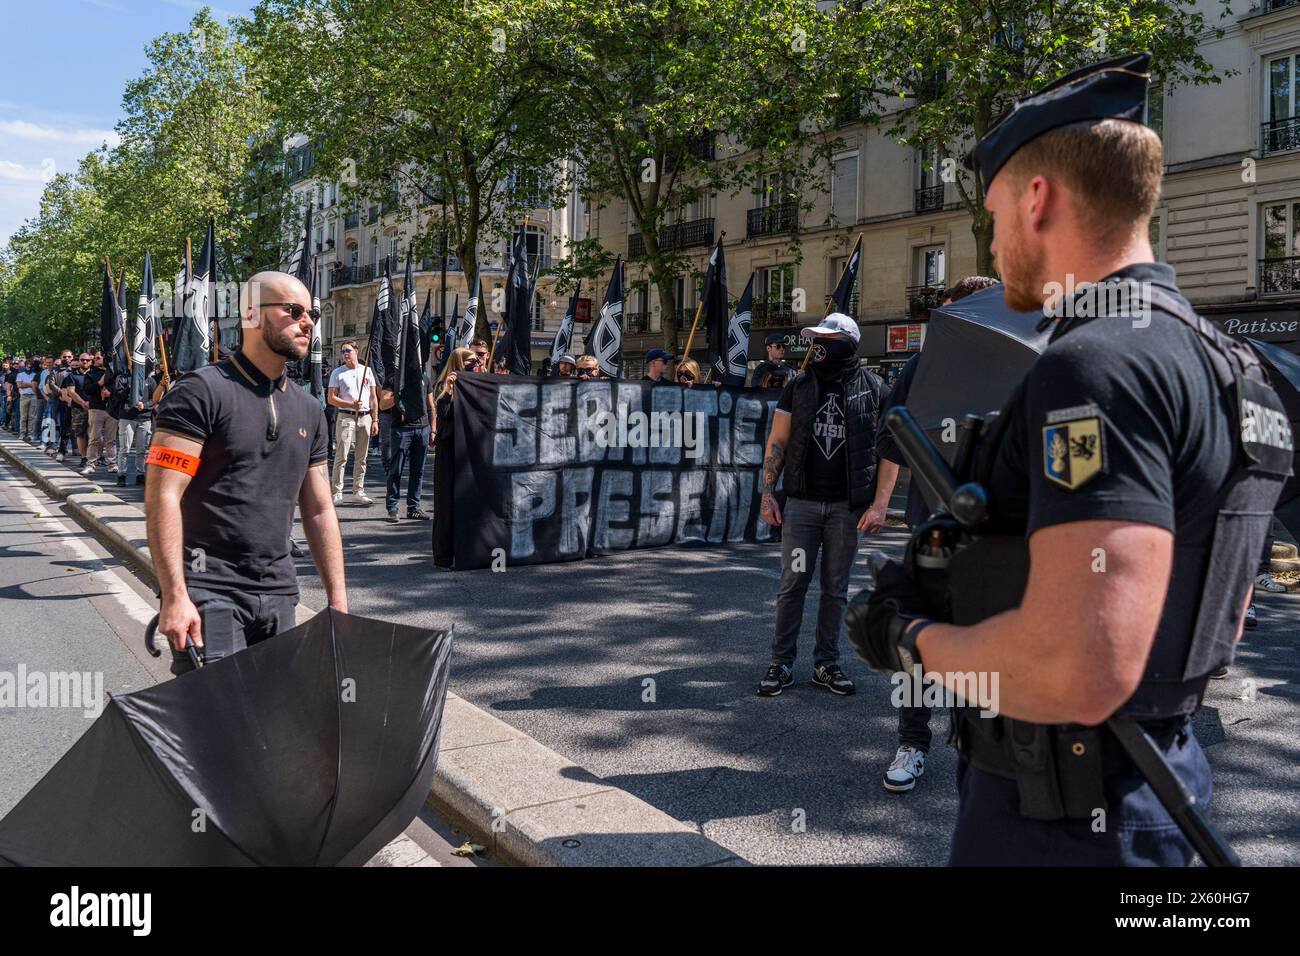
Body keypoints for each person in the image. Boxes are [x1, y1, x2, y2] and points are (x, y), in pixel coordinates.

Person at [850, 53, 1293, 866]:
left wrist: (906, 638)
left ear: (1038, 198)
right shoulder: (1235, 368)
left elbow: (1077, 671)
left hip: (1056, 821)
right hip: (1156, 791)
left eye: (991, 214)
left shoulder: (1094, 366)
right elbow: (1213, 608)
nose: (990, 238)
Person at [146, 270, 344, 675]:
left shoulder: (309, 409)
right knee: (218, 726)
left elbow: (320, 510)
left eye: (313, 314)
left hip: (279, 593)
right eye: (293, 311)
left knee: (271, 727)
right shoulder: (200, 391)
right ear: (252, 314)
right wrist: (174, 594)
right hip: (209, 591)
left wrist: (337, 602)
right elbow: (163, 494)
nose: (307, 322)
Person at [874, 273, 998, 794]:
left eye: (952, 310)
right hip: (930, 531)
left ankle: (981, 750)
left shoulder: (1018, 371)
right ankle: (913, 741)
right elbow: (890, 436)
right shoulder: (923, 366)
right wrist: (883, 501)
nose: (942, 319)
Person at [756, 312, 898, 698]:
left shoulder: (876, 390)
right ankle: (781, 662)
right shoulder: (798, 386)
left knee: (835, 589)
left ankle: (826, 663)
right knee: (792, 584)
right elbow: (778, 442)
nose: (819, 347)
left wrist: (880, 505)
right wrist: (768, 493)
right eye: (816, 340)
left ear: (848, 345)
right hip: (801, 505)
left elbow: (891, 452)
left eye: (827, 340)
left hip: (845, 508)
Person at [432, 347, 480, 568]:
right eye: (471, 360)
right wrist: (450, 390)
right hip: (449, 448)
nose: (476, 363)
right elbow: (444, 416)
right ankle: (443, 556)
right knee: (447, 502)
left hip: (469, 449)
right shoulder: (443, 386)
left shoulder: (475, 383)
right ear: (459, 362)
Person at [326, 341, 378, 506]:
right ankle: (337, 492)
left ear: (356, 351)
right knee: (342, 455)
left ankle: (358, 490)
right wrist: (349, 404)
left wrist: (375, 419)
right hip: (346, 416)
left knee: (362, 457)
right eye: (343, 352)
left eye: (348, 350)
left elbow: (373, 398)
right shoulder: (337, 373)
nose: (345, 354)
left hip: (365, 417)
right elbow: (331, 398)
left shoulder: (367, 371)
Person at [385, 366, 433, 523]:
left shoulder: (425, 379)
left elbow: (431, 407)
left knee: (418, 471)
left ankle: (414, 507)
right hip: (401, 429)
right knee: (396, 470)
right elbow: (382, 404)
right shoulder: (394, 379)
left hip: (423, 429)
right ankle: (392, 508)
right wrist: (399, 395)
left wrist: (433, 430)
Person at [112, 365, 158, 487]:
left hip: (144, 418)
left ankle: (140, 474)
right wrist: (129, 389)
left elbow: (155, 398)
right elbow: (117, 396)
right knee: (124, 448)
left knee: (142, 449)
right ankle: (121, 474)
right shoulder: (122, 378)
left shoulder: (150, 380)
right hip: (127, 417)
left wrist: (145, 405)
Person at [84, 352, 117, 474]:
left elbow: (121, 389)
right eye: (96, 358)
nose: (98, 359)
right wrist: (99, 383)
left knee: (111, 439)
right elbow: (87, 389)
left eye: (100, 357)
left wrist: (111, 393)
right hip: (96, 408)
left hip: (111, 409)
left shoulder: (114, 373)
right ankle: (91, 464)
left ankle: (112, 464)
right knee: (94, 438)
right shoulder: (90, 374)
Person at [63, 353, 94, 470]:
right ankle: (84, 457)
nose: (85, 362)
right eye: (82, 360)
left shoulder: (95, 374)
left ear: (90, 362)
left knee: (95, 434)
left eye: (87, 360)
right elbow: (71, 392)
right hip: (78, 409)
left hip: (94, 408)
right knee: (80, 434)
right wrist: (83, 403)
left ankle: (96, 458)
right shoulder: (72, 376)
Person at [16, 359, 37, 442]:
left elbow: (36, 386)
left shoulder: (35, 375)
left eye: (31, 364)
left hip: (33, 396)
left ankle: (30, 434)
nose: (29, 365)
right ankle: (22, 434)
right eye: (28, 364)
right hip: (24, 396)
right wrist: (31, 384)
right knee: (23, 416)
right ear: (25, 365)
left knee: (32, 416)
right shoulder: (20, 375)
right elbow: (19, 385)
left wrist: (25, 384)